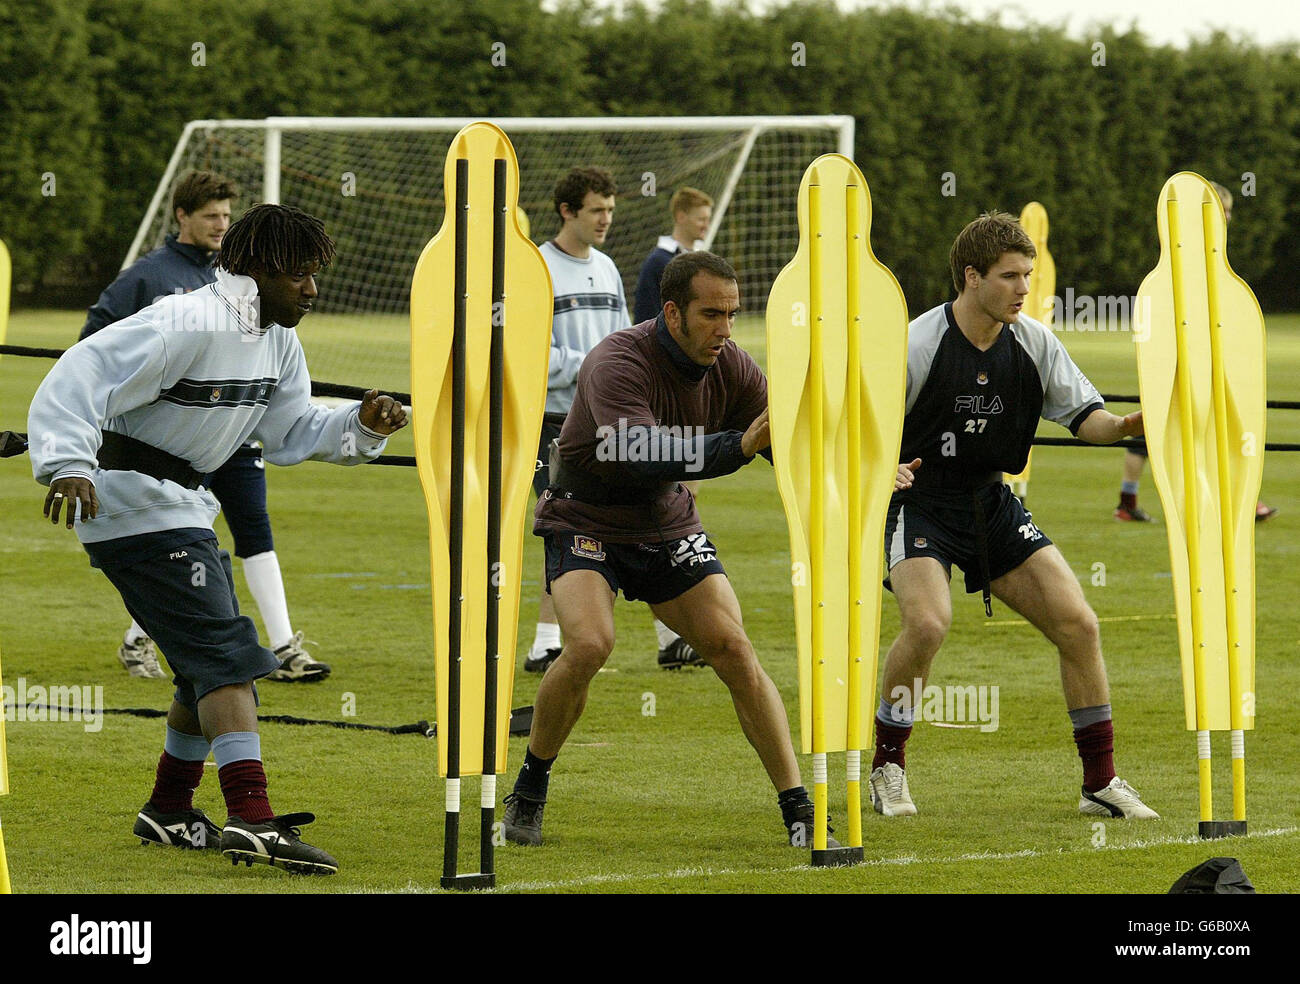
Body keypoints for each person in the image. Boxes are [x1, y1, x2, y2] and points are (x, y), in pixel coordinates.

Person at [29, 204, 408, 874]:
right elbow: (79, 372)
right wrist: (67, 463)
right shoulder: (186, 319)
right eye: (302, 275)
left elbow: (294, 432)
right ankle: (253, 820)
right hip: (133, 508)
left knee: (203, 663)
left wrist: (364, 424)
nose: (313, 291)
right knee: (230, 660)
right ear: (259, 269)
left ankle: (170, 809)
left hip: (178, 509)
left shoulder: (277, 338)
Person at [503, 250, 832, 849]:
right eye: (712, 315)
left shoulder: (728, 363)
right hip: (585, 516)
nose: (726, 330)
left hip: (665, 521)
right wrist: (740, 445)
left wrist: (856, 472)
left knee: (733, 648)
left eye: (733, 314)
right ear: (673, 312)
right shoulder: (616, 361)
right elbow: (641, 450)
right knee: (589, 644)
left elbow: (786, 434)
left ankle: (799, 807)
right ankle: (530, 784)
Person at [872, 212, 1158, 822]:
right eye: (1009, 276)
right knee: (927, 625)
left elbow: (1090, 421)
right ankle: (888, 766)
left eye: (1027, 274)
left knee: (1079, 624)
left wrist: (1132, 427)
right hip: (920, 500)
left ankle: (1099, 783)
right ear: (971, 277)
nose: (1024, 288)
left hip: (992, 502)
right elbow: (865, 436)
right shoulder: (916, 344)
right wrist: (882, 468)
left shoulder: (1034, 341)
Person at [81, 170, 328, 683]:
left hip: (240, 434)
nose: (220, 223)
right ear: (182, 217)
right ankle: (143, 638)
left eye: (225, 215)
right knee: (183, 540)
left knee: (253, 531)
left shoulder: (248, 271)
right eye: (210, 215)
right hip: (173, 447)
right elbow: (96, 346)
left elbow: (296, 415)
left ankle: (283, 644)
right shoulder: (148, 277)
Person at [526, 166, 700, 674]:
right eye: (597, 210)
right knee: (564, 523)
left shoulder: (605, 266)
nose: (606, 219)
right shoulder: (536, 268)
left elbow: (625, 340)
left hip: (616, 420)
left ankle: (669, 637)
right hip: (560, 419)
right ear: (567, 211)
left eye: (610, 211)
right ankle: (544, 643)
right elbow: (528, 353)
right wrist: (599, 370)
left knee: (644, 512)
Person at [1115, 180, 1275, 523]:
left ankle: (1129, 502)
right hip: (1188, 354)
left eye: (1230, 211)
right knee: (1204, 425)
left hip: (1192, 352)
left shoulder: (1194, 252)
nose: (1228, 218)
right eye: (1224, 210)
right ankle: (1237, 502)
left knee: (1172, 426)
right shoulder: (1194, 253)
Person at [633, 186, 713, 324]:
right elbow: (645, 316)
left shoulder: (703, 259)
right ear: (681, 217)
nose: (706, 226)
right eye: (701, 219)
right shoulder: (658, 262)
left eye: (708, 220)